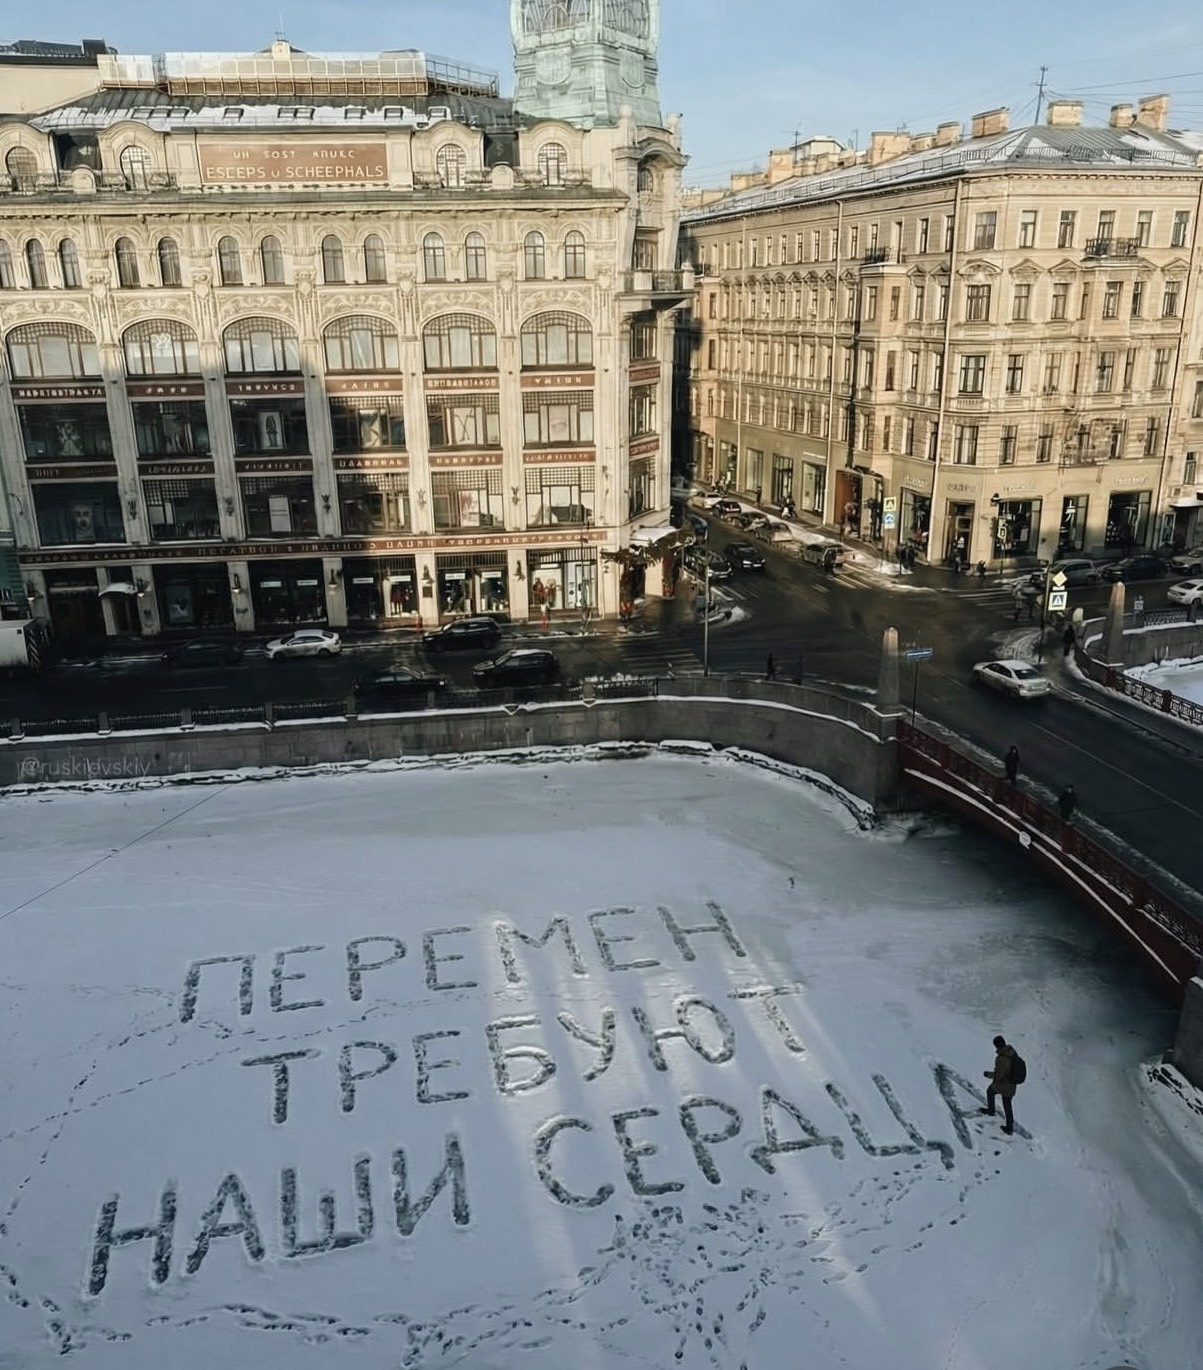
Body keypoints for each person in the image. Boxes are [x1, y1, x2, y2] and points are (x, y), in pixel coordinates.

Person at [981, 1034, 1018, 1134]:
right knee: (1007, 1104)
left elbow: (999, 1075)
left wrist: (988, 1075)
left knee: (990, 1091)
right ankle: (1009, 1126)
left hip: (1005, 1085)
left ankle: (992, 1111)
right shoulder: (1011, 1052)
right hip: (1012, 1084)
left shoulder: (1002, 1058)